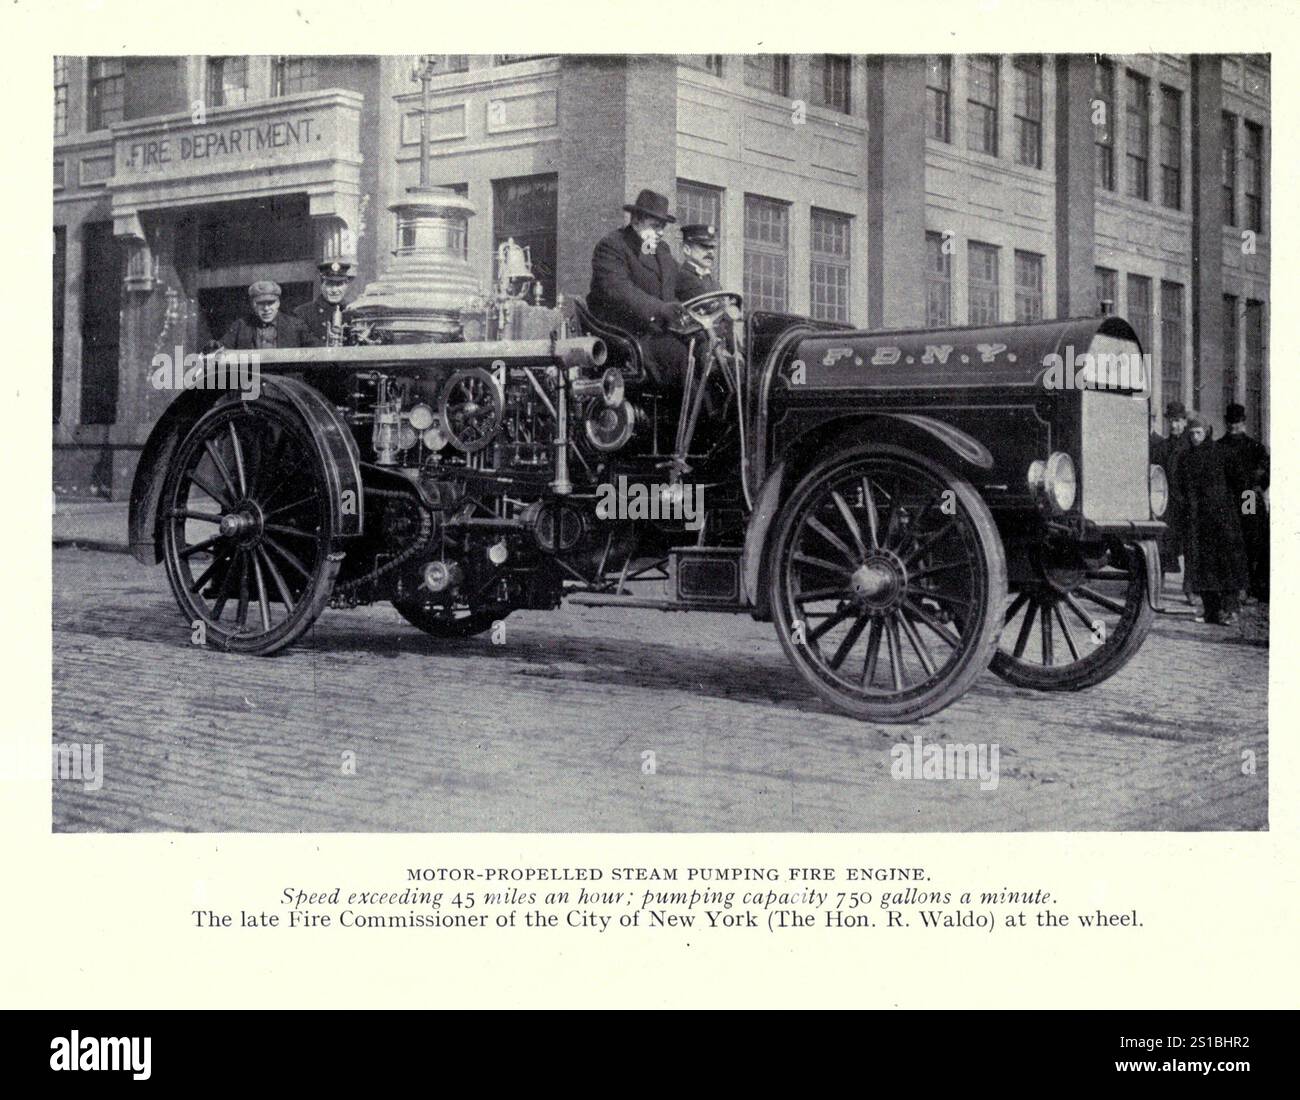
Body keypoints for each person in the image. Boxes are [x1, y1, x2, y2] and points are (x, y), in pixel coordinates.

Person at [588, 188, 691, 390]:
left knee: (707, 352)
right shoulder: (612, 246)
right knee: (678, 355)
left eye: (662, 226)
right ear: (636, 221)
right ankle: (696, 420)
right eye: (655, 226)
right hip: (626, 338)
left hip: (658, 333)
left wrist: (719, 302)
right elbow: (620, 291)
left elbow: (685, 282)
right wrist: (660, 309)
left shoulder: (661, 250)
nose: (661, 232)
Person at [1175, 413, 1248, 625]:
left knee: (1227, 568)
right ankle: (1210, 612)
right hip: (1197, 523)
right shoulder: (1185, 458)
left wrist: (1249, 516)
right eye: (1191, 434)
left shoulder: (1223, 454)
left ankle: (1231, 610)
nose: (1195, 437)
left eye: (1198, 433)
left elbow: (1244, 486)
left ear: (1207, 432)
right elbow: (1178, 488)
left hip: (1224, 522)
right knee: (1202, 569)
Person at [1218, 402, 1270, 602]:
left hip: (1247, 496)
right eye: (1231, 422)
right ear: (1226, 422)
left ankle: (1247, 586)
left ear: (1243, 422)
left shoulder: (1255, 447)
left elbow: (1266, 474)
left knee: (1249, 541)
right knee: (1229, 542)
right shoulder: (1220, 446)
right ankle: (1233, 586)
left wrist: (1257, 487)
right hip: (1229, 499)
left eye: (1237, 422)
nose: (1234, 426)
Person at [1152, 400, 1190, 594]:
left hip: (1187, 504)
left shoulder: (1190, 446)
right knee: (1164, 545)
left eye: (1178, 421)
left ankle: (1189, 588)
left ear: (1184, 422)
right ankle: (1159, 584)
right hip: (1167, 504)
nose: (1174, 426)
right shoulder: (1162, 447)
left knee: (1190, 546)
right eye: (1171, 422)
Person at [218, 281, 311, 351]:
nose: (266, 308)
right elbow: (221, 347)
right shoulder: (241, 326)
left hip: (284, 377)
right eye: (260, 303)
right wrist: (215, 346)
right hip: (251, 376)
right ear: (253, 305)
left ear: (278, 303)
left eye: (271, 303)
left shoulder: (295, 325)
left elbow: (315, 349)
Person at [294, 260, 355, 346]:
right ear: (321, 285)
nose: (334, 290)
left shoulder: (354, 312)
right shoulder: (303, 313)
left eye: (339, 284)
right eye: (330, 284)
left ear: (346, 285)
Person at [675, 223, 720, 302]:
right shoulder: (682, 277)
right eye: (704, 246)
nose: (710, 252)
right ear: (687, 250)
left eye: (712, 247)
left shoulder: (713, 282)